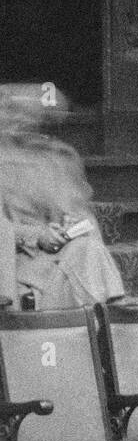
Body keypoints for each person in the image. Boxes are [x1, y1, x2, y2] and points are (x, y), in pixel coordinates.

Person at [0, 85, 124, 310]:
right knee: (83, 266)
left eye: (31, 118)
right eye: (16, 116)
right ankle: (101, 322)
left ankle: (105, 323)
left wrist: (70, 226)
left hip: (52, 255)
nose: (23, 124)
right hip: (14, 263)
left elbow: (78, 212)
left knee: (88, 250)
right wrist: (38, 236)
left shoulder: (55, 159)